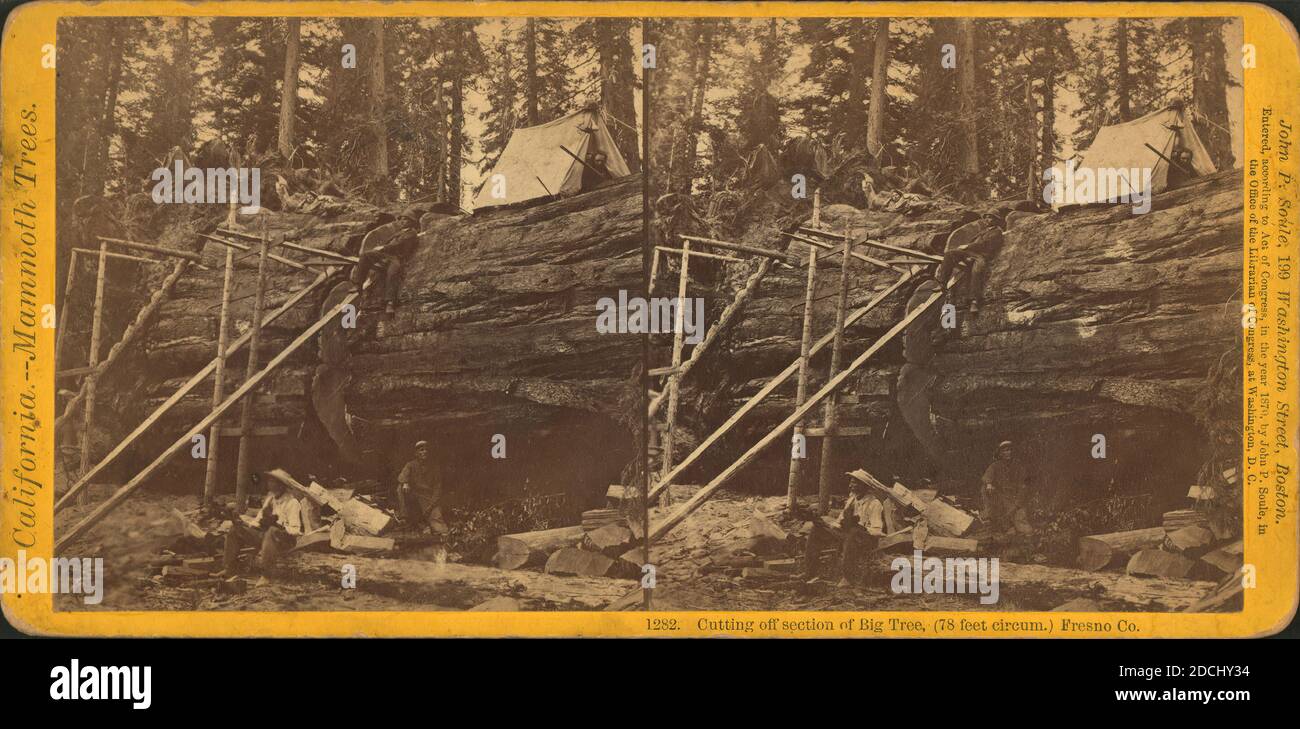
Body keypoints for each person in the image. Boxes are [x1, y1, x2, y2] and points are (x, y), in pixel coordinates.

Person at [221, 473, 304, 574]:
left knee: (271, 531)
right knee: (235, 529)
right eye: (269, 481)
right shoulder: (270, 500)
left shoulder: (292, 503)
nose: (269, 484)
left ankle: (266, 575)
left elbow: (295, 530)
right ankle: (229, 568)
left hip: (285, 540)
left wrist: (277, 525)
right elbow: (257, 521)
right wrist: (244, 524)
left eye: (273, 481)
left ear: (281, 485)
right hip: (265, 536)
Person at [350, 211, 422, 316]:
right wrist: (381, 248)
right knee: (365, 256)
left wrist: (382, 248)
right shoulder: (399, 232)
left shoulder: (411, 233)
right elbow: (388, 243)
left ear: (411, 222)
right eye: (401, 219)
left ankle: (390, 303)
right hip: (386, 255)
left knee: (392, 272)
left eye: (405, 219)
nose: (402, 221)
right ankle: (358, 284)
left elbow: (398, 245)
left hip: (398, 257)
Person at [936, 211, 1005, 318]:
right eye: (986, 217)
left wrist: (967, 247)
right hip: (972, 253)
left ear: (996, 220)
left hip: (982, 255)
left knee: (977, 270)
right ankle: (942, 283)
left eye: (990, 218)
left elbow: (985, 245)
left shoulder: (997, 232)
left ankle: (974, 301)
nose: (987, 220)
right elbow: (975, 242)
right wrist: (967, 251)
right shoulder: (984, 231)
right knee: (949, 254)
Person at [397, 440, 448, 536]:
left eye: (426, 450)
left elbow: (438, 488)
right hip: (414, 496)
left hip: (428, 498)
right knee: (400, 488)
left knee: (441, 529)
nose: (424, 452)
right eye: (421, 450)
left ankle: (428, 525)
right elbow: (401, 476)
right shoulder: (411, 465)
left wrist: (431, 505)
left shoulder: (434, 467)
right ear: (416, 453)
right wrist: (405, 482)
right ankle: (405, 518)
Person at [981, 440, 1032, 535]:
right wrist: (989, 484)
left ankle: (1012, 525)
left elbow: (1024, 486)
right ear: (1000, 453)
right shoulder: (995, 466)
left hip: (1016, 499)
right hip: (1002, 499)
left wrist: (1017, 504)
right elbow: (987, 477)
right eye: (1005, 450)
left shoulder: (1019, 466)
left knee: (1025, 529)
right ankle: (1005, 525)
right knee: (985, 489)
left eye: (1010, 450)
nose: (1008, 453)